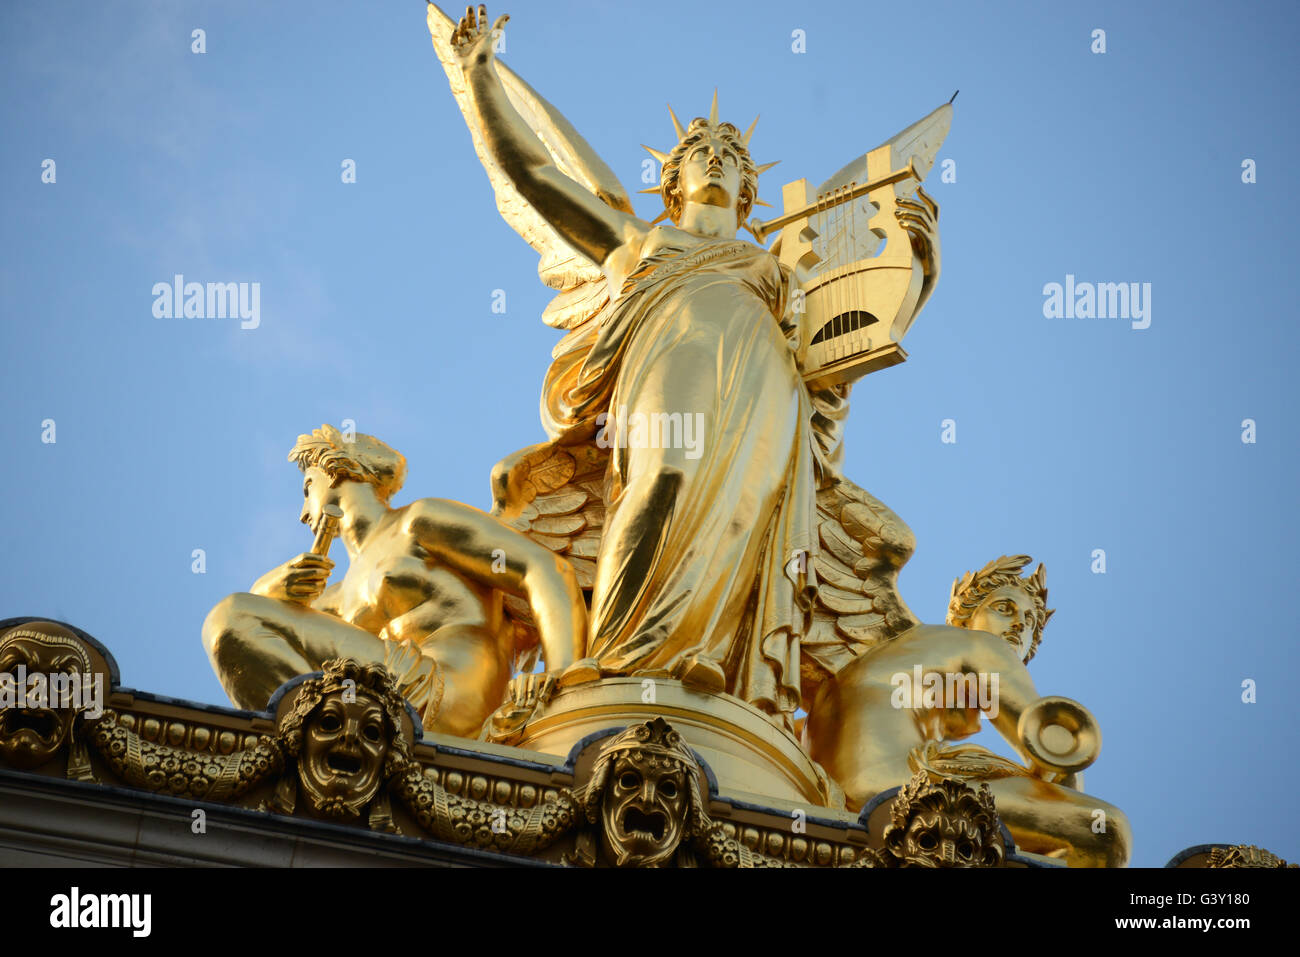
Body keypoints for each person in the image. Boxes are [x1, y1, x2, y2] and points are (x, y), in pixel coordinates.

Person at [446, 6, 939, 724]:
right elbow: (533, 176)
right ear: (671, 181)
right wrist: (481, 73)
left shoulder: (775, 269)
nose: (715, 153)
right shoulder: (635, 242)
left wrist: (917, 269)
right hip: (667, 366)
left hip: (766, 384)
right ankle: (616, 655)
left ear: (747, 189)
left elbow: (846, 348)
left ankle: (714, 660)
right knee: (663, 477)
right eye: (699, 148)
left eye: (731, 152)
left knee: (746, 514)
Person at [202, 424, 592, 737]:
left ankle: (316, 732)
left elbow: (544, 569)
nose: (304, 513)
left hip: (450, 690)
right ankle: (316, 737)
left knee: (230, 616)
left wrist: (563, 684)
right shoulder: (336, 600)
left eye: (308, 490)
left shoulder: (417, 524)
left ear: (336, 470)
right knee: (233, 625)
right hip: (384, 698)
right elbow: (252, 636)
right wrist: (270, 588)